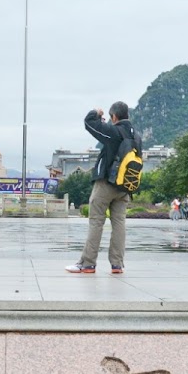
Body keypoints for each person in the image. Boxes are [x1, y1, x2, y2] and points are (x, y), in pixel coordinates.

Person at [66, 101, 139, 275]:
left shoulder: (114, 131)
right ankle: (117, 264)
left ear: (114, 116)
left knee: (96, 221)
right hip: (125, 186)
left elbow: (89, 123)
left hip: (106, 183)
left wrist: (96, 113)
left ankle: (88, 263)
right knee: (119, 223)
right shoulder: (136, 135)